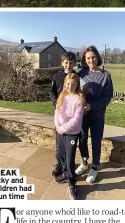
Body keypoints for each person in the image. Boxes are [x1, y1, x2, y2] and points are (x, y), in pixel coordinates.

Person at [76, 45, 113, 184]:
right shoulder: (81, 74)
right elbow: (75, 89)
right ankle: (85, 162)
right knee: (83, 139)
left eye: (93, 57)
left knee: (96, 141)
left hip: (97, 116)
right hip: (82, 116)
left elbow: (107, 97)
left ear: (97, 58)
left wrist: (92, 106)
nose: (91, 60)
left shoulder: (105, 76)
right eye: (88, 58)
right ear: (85, 60)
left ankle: (95, 167)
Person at [54, 73, 85, 200]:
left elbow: (76, 120)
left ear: (77, 85)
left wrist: (62, 128)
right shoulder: (62, 95)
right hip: (60, 131)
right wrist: (57, 126)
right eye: (68, 84)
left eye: (73, 84)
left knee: (70, 158)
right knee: (61, 154)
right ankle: (66, 174)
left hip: (71, 132)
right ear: (64, 84)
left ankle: (72, 183)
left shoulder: (79, 98)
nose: (70, 86)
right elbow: (56, 111)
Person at [50, 52, 78, 181]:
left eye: (71, 63)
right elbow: (52, 92)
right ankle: (59, 165)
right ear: (62, 63)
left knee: (69, 145)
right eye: (66, 62)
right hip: (59, 115)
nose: (68, 65)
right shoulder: (57, 76)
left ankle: (68, 166)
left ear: (74, 64)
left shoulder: (77, 77)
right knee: (59, 143)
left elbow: (80, 92)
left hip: (72, 116)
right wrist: (56, 103)